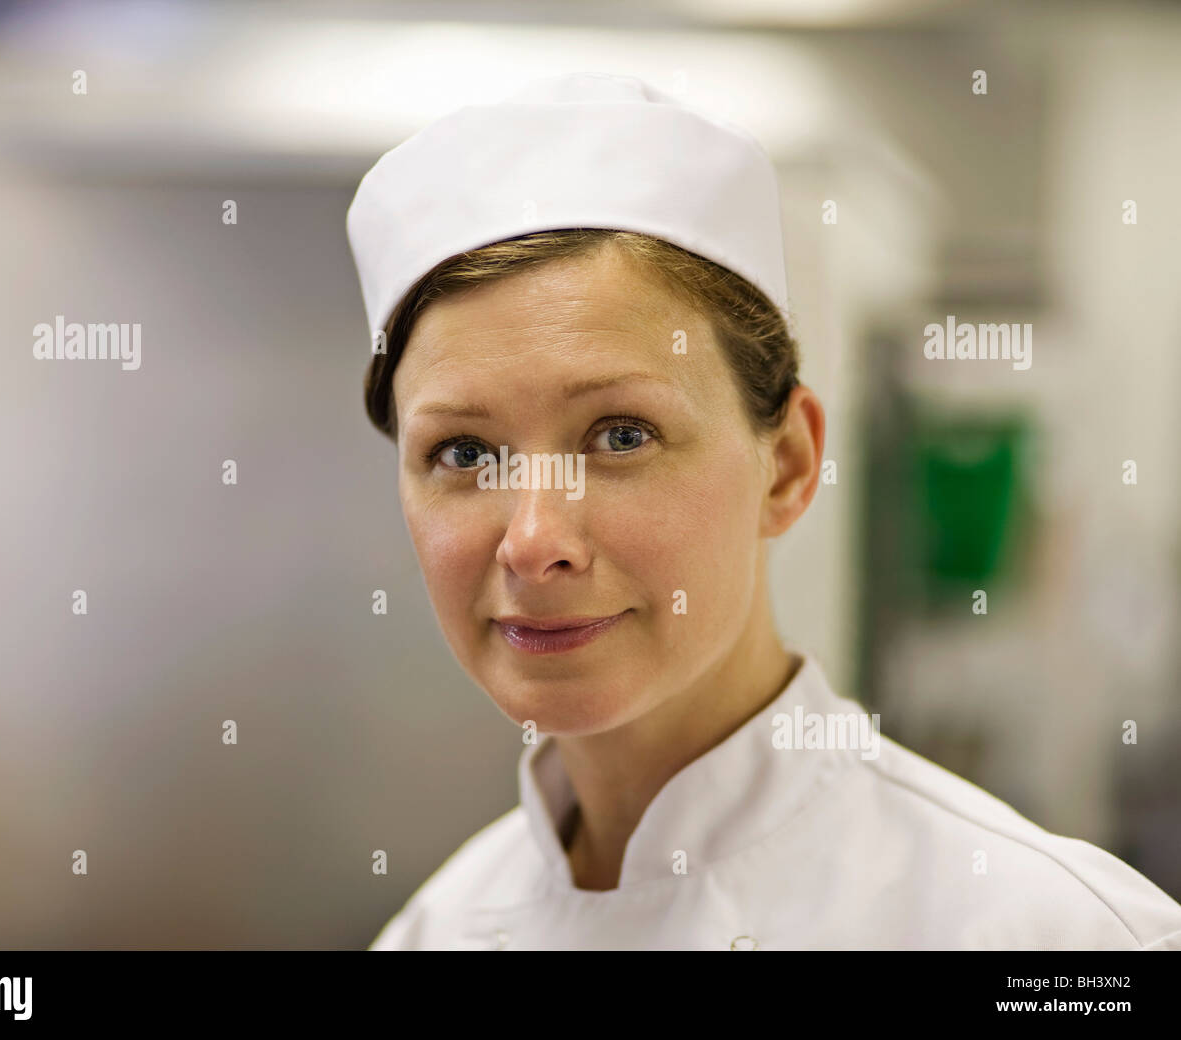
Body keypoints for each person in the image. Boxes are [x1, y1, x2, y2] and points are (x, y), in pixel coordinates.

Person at [344, 71, 1181, 950]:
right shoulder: (437, 932)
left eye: (621, 436)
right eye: (465, 454)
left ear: (787, 465)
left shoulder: (1059, 941)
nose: (534, 540)